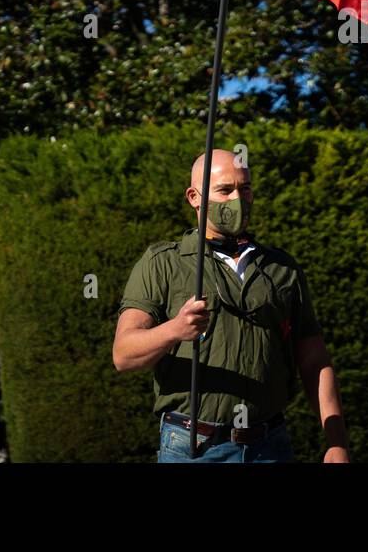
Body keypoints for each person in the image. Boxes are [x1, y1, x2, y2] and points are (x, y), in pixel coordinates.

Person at [112, 148, 350, 462]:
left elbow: (314, 360)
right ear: (194, 197)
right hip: (192, 447)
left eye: (245, 188)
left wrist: (337, 442)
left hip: (270, 446)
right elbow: (124, 355)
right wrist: (174, 330)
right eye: (225, 190)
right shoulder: (162, 263)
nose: (238, 198)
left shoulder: (281, 268)